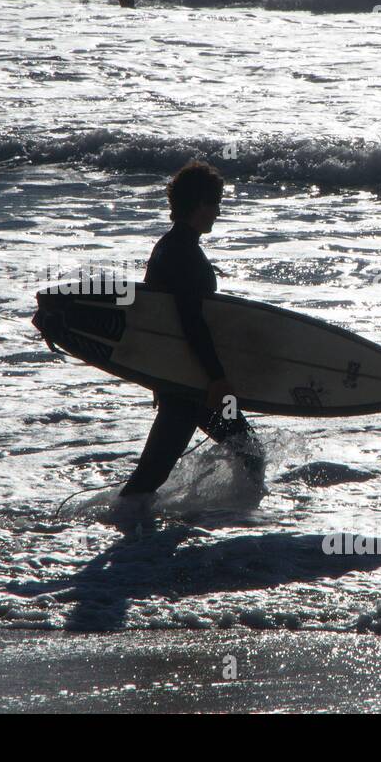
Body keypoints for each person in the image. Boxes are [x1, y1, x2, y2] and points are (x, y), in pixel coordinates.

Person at [110, 161, 263, 527]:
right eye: (215, 202)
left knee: (246, 452)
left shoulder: (170, 246)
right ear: (199, 204)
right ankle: (127, 540)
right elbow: (191, 324)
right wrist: (217, 380)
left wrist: (163, 374)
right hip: (194, 386)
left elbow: (158, 323)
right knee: (154, 475)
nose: (219, 211)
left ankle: (219, 516)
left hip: (185, 382)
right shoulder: (184, 254)